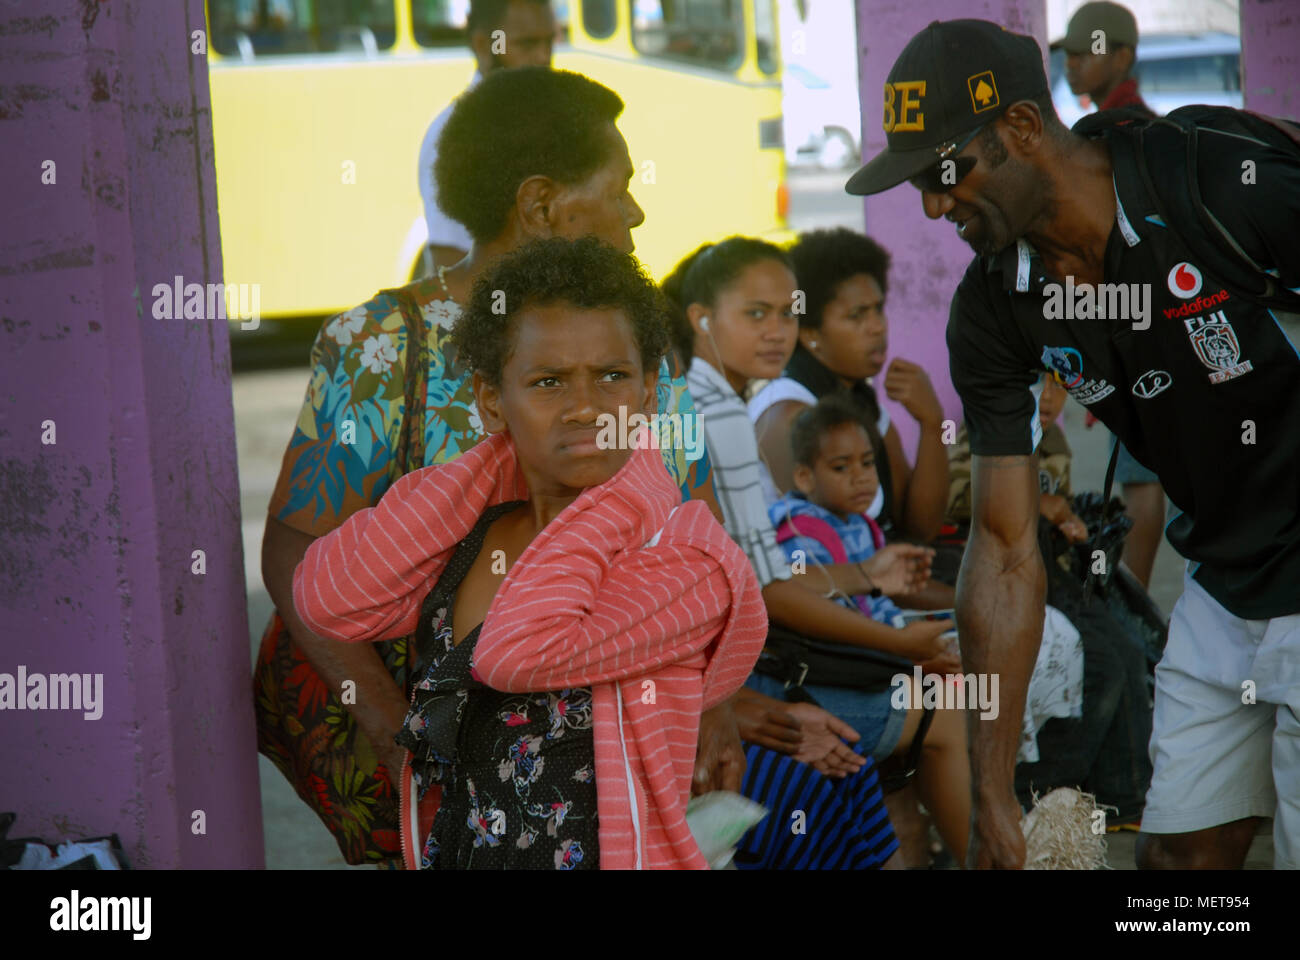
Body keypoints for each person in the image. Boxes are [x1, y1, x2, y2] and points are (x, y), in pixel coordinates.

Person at [846, 18, 1300, 869]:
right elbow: (1008, 546)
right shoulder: (991, 310)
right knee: (1176, 864)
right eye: (920, 186)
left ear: (1022, 128)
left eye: (948, 174)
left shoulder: (1212, 180)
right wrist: (989, 794)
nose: (936, 205)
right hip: (1227, 578)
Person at [257, 67, 734, 866]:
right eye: (619, 188)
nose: (637, 211)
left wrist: (714, 697)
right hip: (451, 769)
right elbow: (296, 552)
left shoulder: (640, 341)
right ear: (542, 205)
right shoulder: (384, 344)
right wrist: (392, 725)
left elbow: (694, 531)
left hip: (612, 756)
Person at [292, 236, 768, 869]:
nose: (585, 408)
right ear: (493, 399)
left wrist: (626, 489)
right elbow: (328, 599)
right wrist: (493, 464)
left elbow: (518, 653)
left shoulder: (683, 560)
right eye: (547, 383)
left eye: (612, 377)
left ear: (650, 391)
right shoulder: (477, 531)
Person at [666, 236, 973, 864]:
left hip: (737, 662)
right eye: (756, 314)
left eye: (787, 313)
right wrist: (899, 643)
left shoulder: (715, 397)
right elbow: (769, 595)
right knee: (946, 710)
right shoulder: (717, 410)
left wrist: (861, 575)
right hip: (740, 678)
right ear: (702, 318)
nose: (778, 331)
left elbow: (766, 575)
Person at [1057, 0, 1166, 588]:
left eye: (1084, 54)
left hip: (1140, 325)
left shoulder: (1118, 133)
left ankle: (1135, 612)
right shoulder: (1136, 127)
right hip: (1148, 320)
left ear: (1122, 55)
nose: (1072, 65)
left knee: (1141, 480)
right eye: (1068, 56)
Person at [751, 228, 950, 544]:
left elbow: (919, 528)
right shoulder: (787, 412)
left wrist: (932, 423)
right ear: (810, 334)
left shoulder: (861, 401)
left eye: (878, 309)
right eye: (857, 316)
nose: (877, 327)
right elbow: (828, 552)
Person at [416, 0, 555, 274]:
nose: (543, 57)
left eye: (549, 42)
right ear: (483, 45)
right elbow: (452, 264)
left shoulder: (553, 119)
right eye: (527, 44)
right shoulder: (454, 134)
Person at [1058, 1, 1154, 118]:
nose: (1070, 64)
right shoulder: (1113, 120)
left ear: (1122, 58)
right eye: (1069, 53)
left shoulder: (1127, 127)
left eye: (1084, 53)